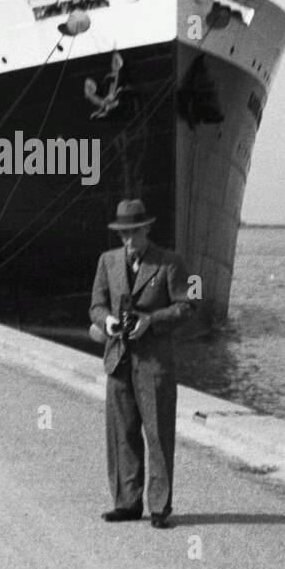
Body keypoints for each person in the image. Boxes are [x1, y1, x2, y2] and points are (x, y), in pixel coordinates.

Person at [89, 198, 195, 529]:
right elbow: (96, 305)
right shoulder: (107, 261)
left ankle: (161, 507)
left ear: (147, 229)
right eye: (123, 234)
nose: (128, 240)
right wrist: (107, 322)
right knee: (122, 433)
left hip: (155, 363)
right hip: (119, 359)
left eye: (134, 233)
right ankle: (127, 503)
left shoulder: (170, 263)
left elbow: (187, 306)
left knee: (159, 434)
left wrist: (151, 320)